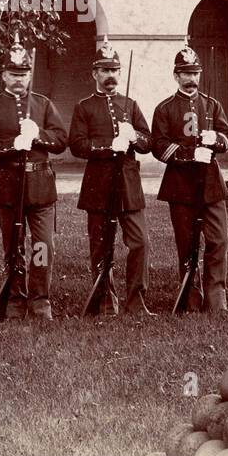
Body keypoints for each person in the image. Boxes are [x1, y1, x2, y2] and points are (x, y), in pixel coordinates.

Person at [0, 36, 68, 320]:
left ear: (29, 75)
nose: (19, 79)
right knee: (13, 246)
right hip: (8, 185)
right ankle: (16, 298)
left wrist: (38, 135)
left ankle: (40, 300)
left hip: (40, 186)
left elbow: (61, 140)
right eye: (13, 74)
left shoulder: (43, 104)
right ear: (4, 75)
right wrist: (12, 144)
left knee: (42, 245)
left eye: (23, 74)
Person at [68, 37, 153, 316]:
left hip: (128, 185)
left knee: (140, 242)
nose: (111, 76)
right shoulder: (84, 107)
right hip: (99, 184)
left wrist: (134, 137)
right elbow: (77, 144)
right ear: (95, 73)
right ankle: (105, 300)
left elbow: (148, 141)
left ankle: (136, 301)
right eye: (105, 70)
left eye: (114, 70)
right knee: (101, 247)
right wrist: (107, 147)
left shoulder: (130, 104)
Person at [151, 39, 228, 312]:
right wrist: (188, 154)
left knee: (219, 239)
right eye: (186, 73)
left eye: (195, 73)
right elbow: (159, 146)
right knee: (186, 243)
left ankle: (216, 296)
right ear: (176, 76)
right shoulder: (165, 108)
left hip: (210, 183)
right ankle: (191, 295)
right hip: (180, 185)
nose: (191, 79)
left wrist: (216, 139)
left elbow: (227, 137)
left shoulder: (212, 105)